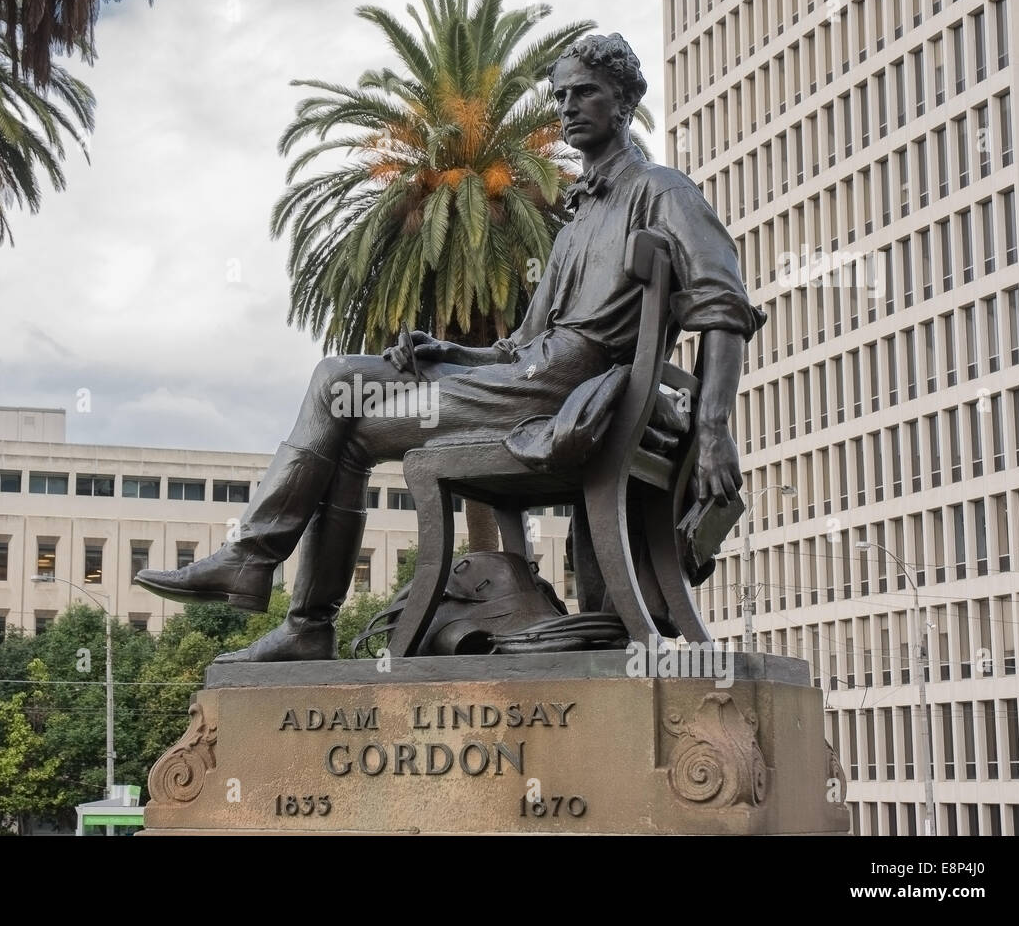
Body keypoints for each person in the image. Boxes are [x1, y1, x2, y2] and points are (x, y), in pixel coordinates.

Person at [134, 33, 762, 662]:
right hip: (529, 376)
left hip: (561, 393)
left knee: (349, 432)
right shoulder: (576, 221)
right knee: (336, 376)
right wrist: (448, 351)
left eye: (585, 92)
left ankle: (296, 613)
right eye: (560, 96)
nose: (569, 106)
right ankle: (262, 574)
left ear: (624, 102)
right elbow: (520, 345)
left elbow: (723, 307)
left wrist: (712, 428)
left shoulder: (663, 191)